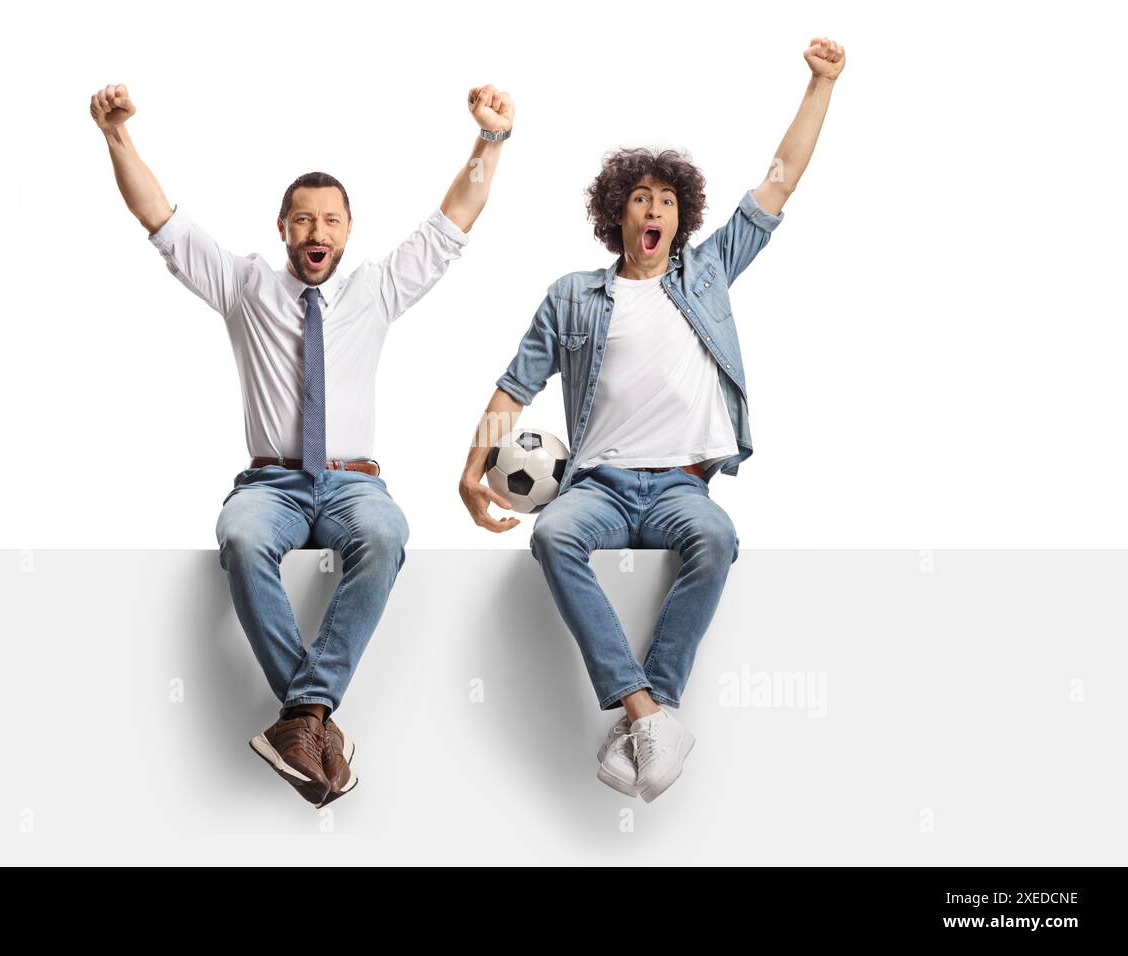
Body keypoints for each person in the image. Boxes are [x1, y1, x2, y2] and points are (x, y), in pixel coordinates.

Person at [93, 81, 514, 806]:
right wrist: (116, 135)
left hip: (356, 484)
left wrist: (491, 140)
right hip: (271, 487)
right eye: (303, 219)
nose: (317, 231)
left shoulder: (377, 289)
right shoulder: (243, 285)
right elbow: (156, 215)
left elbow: (456, 219)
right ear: (283, 228)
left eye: (331, 220)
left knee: (386, 537)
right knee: (243, 540)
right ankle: (313, 717)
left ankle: (300, 719)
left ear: (348, 231)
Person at [458, 38, 844, 802]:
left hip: (680, 487)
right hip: (597, 487)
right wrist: (469, 470)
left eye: (667, 200)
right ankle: (648, 713)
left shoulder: (708, 272)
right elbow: (514, 388)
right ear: (617, 215)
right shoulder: (573, 295)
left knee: (717, 538)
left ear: (682, 216)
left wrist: (821, 83)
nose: (655, 209)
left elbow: (780, 178)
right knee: (553, 535)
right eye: (640, 198)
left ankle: (652, 708)